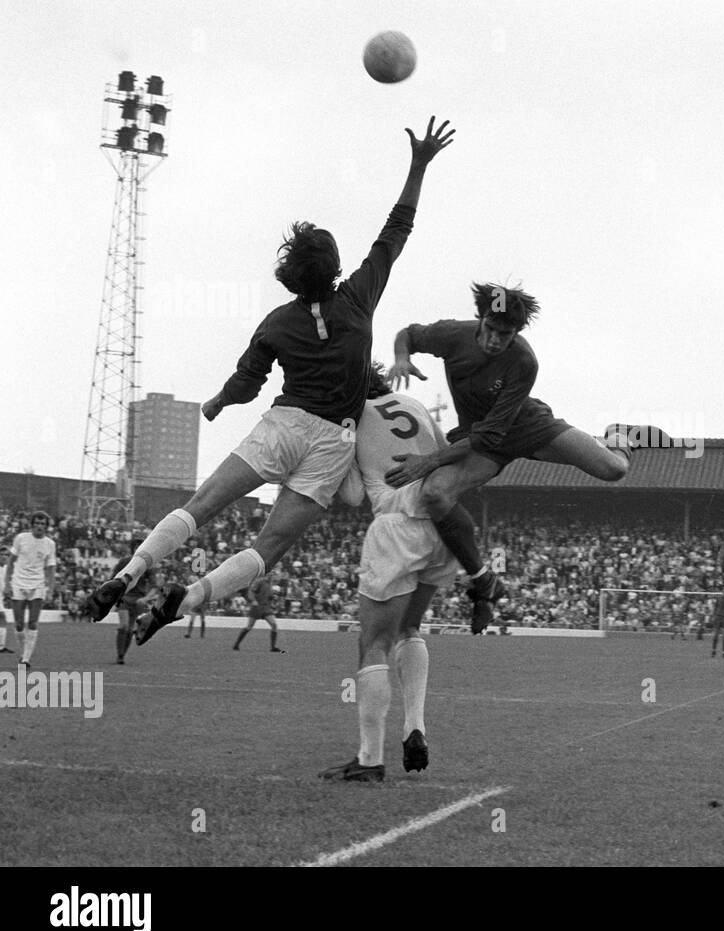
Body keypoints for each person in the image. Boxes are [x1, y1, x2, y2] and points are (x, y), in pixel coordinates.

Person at [83, 115, 455, 643]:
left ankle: (130, 572)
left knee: (201, 507)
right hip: (334, 442)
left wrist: (216, 401)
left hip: (282, 425)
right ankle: (185, 601)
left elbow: (246, 383)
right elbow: (396, 231)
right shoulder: (359, 298)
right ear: (335, 266)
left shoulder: (277, 322)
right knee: (269, 546)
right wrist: (418, 165)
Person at [383, 286, 667, 633]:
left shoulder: (523, 360)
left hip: (526, 426)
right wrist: (401, 356)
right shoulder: (452, 335)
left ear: (515, 333)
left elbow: (490, 434)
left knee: (614, 469)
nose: (494, 340)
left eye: (504, 335)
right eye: (489, 329)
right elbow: (408, 334)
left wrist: (428, 461)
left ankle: (619, 435)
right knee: (434, 494)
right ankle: (482, 580)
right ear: (481, 318)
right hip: (483, 439)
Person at [321, 365, 460, 782]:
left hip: (397, 522)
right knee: (410, 628)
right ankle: (414, 725)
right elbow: (445, 455)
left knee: (374, 643)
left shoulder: (350, 420)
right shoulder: (414, 404)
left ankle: (369, 761)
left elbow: (351, 495)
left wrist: (342, 461)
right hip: (443, 520)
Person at [5, 512, 57, 668]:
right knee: (19, 624)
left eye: (43, 524)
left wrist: (50, 589)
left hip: (38, 585)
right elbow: (11, 561)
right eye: (37, 523)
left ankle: (26, 659)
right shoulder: (21, 538)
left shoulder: (50, 544)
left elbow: (51, 568)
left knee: (33, 622)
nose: (40, 527)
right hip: (19, 583)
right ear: (32, 525)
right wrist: (7, 583)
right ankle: (23, 652)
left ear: (46, 527)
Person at [109, 539, 159, 664]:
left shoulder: (148, 565)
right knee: (124, 626)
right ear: (133, 549)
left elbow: (154, 587)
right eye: (137, 547)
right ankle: (120, 654)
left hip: (138, 600)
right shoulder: (124, 562)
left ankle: (122, 656)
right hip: (124, 598)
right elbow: (113, 580)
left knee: (130, 629)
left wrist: (146, 598)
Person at [232, 575, 282, 652]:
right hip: (257, 607)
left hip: (266, 608)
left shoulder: (270, 584)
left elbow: (268, 596)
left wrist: (272, 597)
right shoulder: (260, 582)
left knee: (274, 624)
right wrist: (253, 601)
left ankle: (273, 647)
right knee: (249, 627)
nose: (272, 577)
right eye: (271, 575)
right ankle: (236, 644)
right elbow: (251, 591)